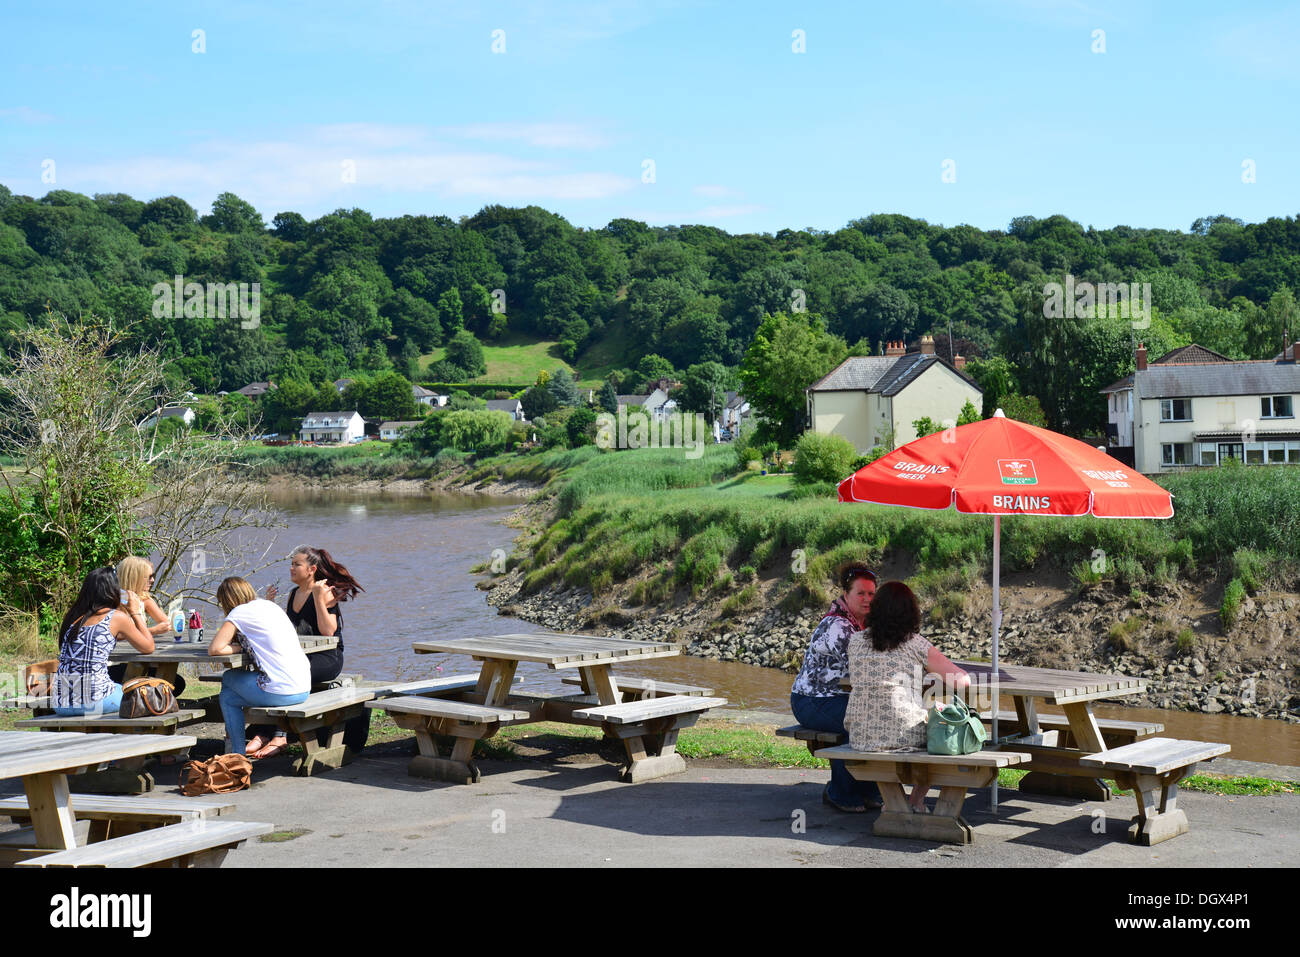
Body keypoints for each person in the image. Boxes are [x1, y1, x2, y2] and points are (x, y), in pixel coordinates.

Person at [845, 580, 970, 813]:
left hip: (860, 734)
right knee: (940, 730)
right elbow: (961, 681)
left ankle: (896, 803)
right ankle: (914, 802)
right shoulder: (915, 644)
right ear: (911, 612)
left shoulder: (855, 642)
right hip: (901, 734)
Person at [245, 546, 366, 759]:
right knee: (270, 675)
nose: (291, 568)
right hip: (300, 658)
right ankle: (264, 731)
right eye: (291, 564)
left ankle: (279, 735)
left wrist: (319, 598)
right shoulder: (293, 594)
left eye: (296, 564)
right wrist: (271, 606)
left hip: (327, 657)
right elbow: (289, 630)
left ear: (311, 569)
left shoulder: (325, 591)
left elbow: (328, 632)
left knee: (288, 678)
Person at [790, 563, 883, 813]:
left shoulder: (863, 624)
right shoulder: (839, 626)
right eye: (860, 593)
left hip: (840, 697)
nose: (867, 599)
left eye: (871, 594)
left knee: (875, 717)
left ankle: (868, 787)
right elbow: (862, 673)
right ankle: (839, 792)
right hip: (812, 700)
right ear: (846, 594)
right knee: (859, 721)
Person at [209, 577, 310, 756]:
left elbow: (215, 649)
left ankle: (236, 753)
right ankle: (234, 753)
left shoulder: (239, 613)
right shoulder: (270, 606)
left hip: (281, 691)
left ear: (226, 600)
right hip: (303, 687)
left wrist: (238, 647)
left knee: (229, 678)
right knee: (228, 697)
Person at [52, 567, 155, 715]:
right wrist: (135, 611)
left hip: (62, 703)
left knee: (120, 687)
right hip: (94, 702)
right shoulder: (117, 617)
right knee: (140, 694)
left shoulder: (75, 618)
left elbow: (109, 636)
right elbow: (148, 647)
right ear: (112, 591)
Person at [108, 556, 187, 697]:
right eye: (148, 577)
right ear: (136, 577)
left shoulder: (144, 599)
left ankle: (147, 706)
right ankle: (141, 706)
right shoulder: (114, 600)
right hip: (112, 665)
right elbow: (116, 636)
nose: (152, 580)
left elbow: (167, 624)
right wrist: (152, 631)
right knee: (169, 684)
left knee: (176, 682)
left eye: (153, 576)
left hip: (137, 658)